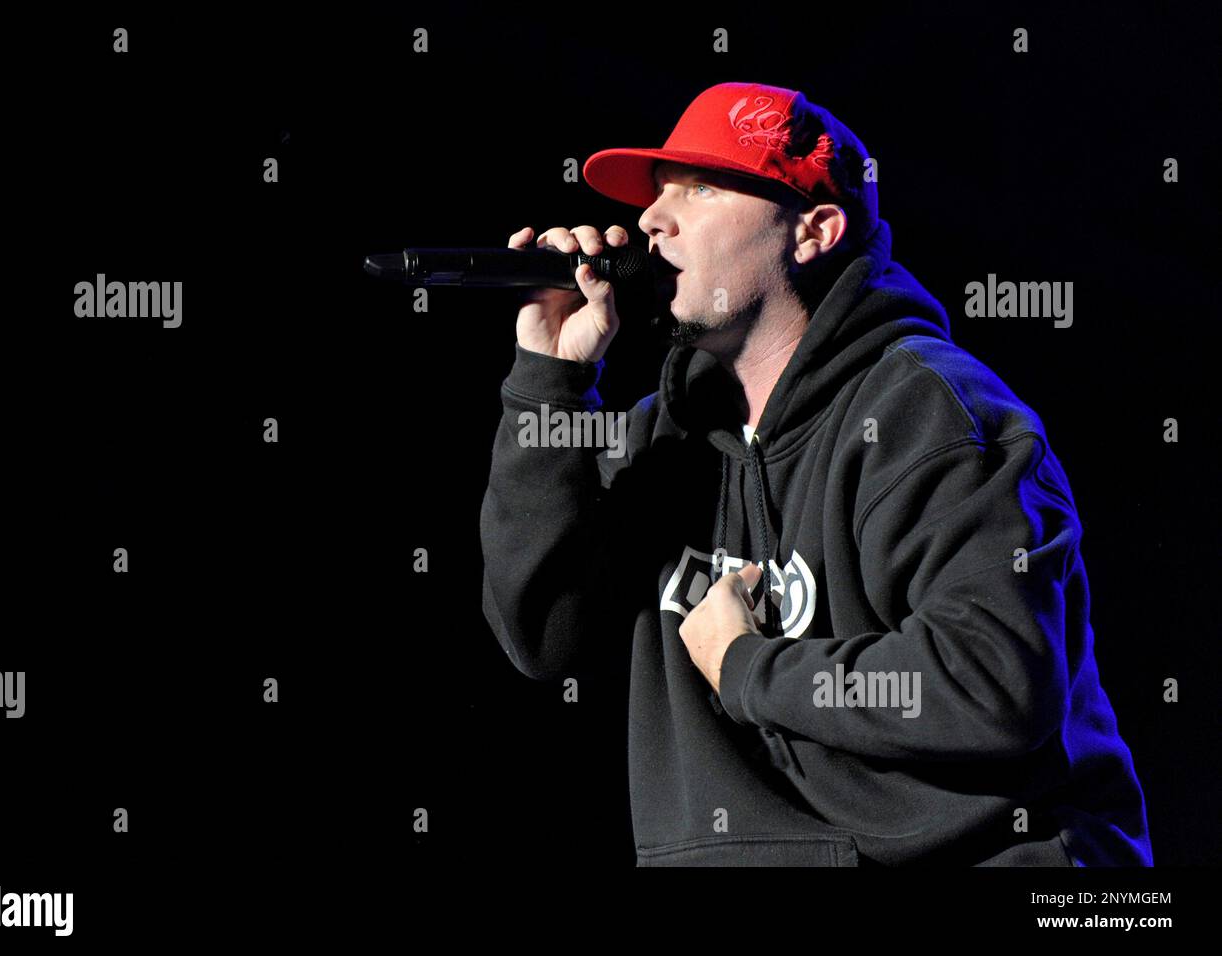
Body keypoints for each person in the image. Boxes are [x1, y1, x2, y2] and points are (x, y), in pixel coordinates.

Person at [479, 81, 1153, 866]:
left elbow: (992, 683)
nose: (650, 221)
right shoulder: (665, 440)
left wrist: (747, 667)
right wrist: (548, 376)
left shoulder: (929, 413)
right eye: (655, 198)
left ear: (814, 231)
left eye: (697, 191)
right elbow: (543, 637)